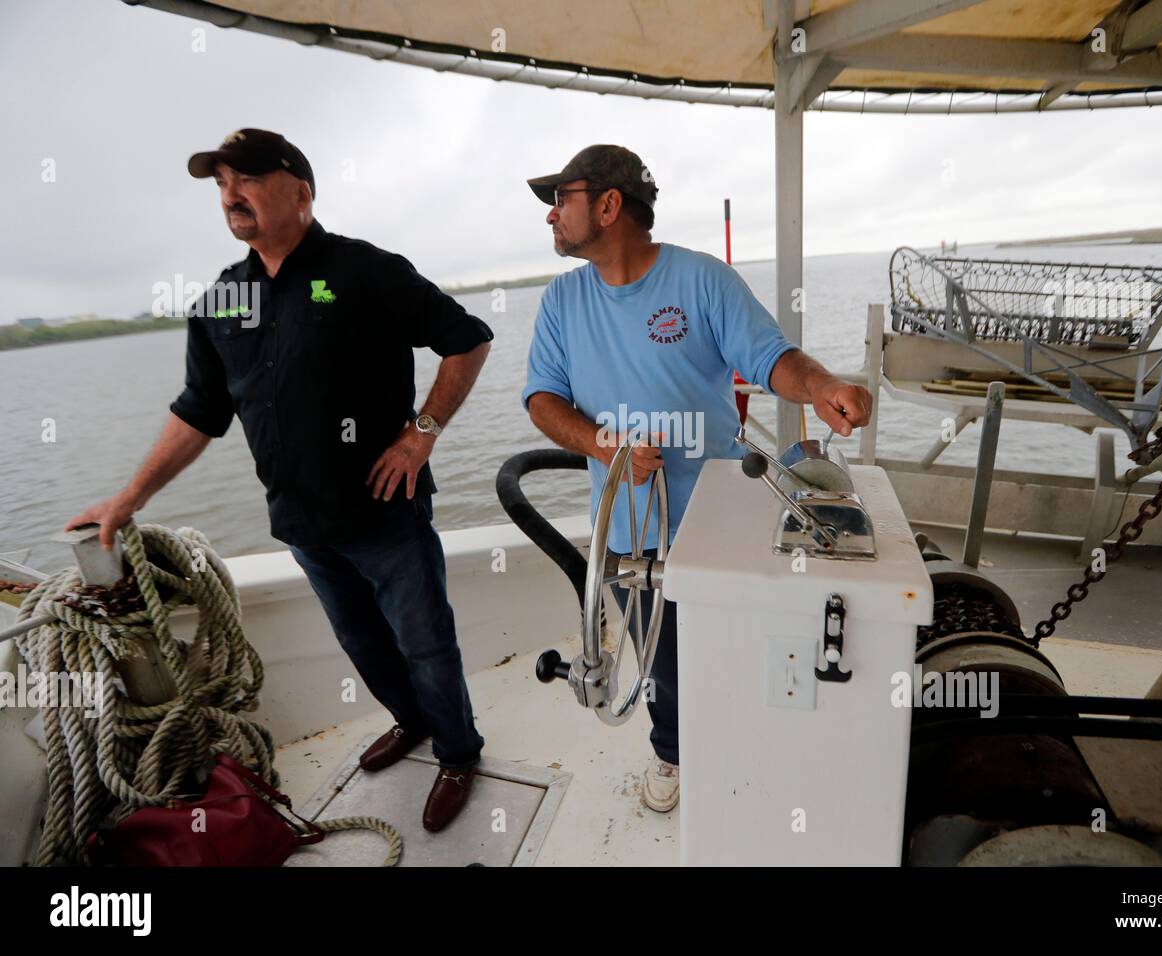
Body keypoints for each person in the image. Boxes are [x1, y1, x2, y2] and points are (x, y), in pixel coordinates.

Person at [67, 129, 493, 832]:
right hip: (301, 522)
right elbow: (198, 414)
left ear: (301, 190)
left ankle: (457, 753)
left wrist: (420, 435)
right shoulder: (221, 303)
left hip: (387, 511)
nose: (232, 194)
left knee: (425, 642)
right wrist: (129, 498)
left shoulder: (366, 271)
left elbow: (468, 338)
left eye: (249, 178)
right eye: (221, 184)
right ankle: (412, 723)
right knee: (361, 643)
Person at [521, 144, 871, 812]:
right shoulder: (562, 301)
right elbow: (543, 399)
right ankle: (674, 753)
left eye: (558, 199)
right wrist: (603, 444)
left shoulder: (702, 280)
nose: (550, 218)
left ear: (608, 204)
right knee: (663, 666)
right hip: (627, 530)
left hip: (722, 521)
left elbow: (770, 358)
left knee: (740, 646)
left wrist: (822, 384)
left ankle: (752, 743)